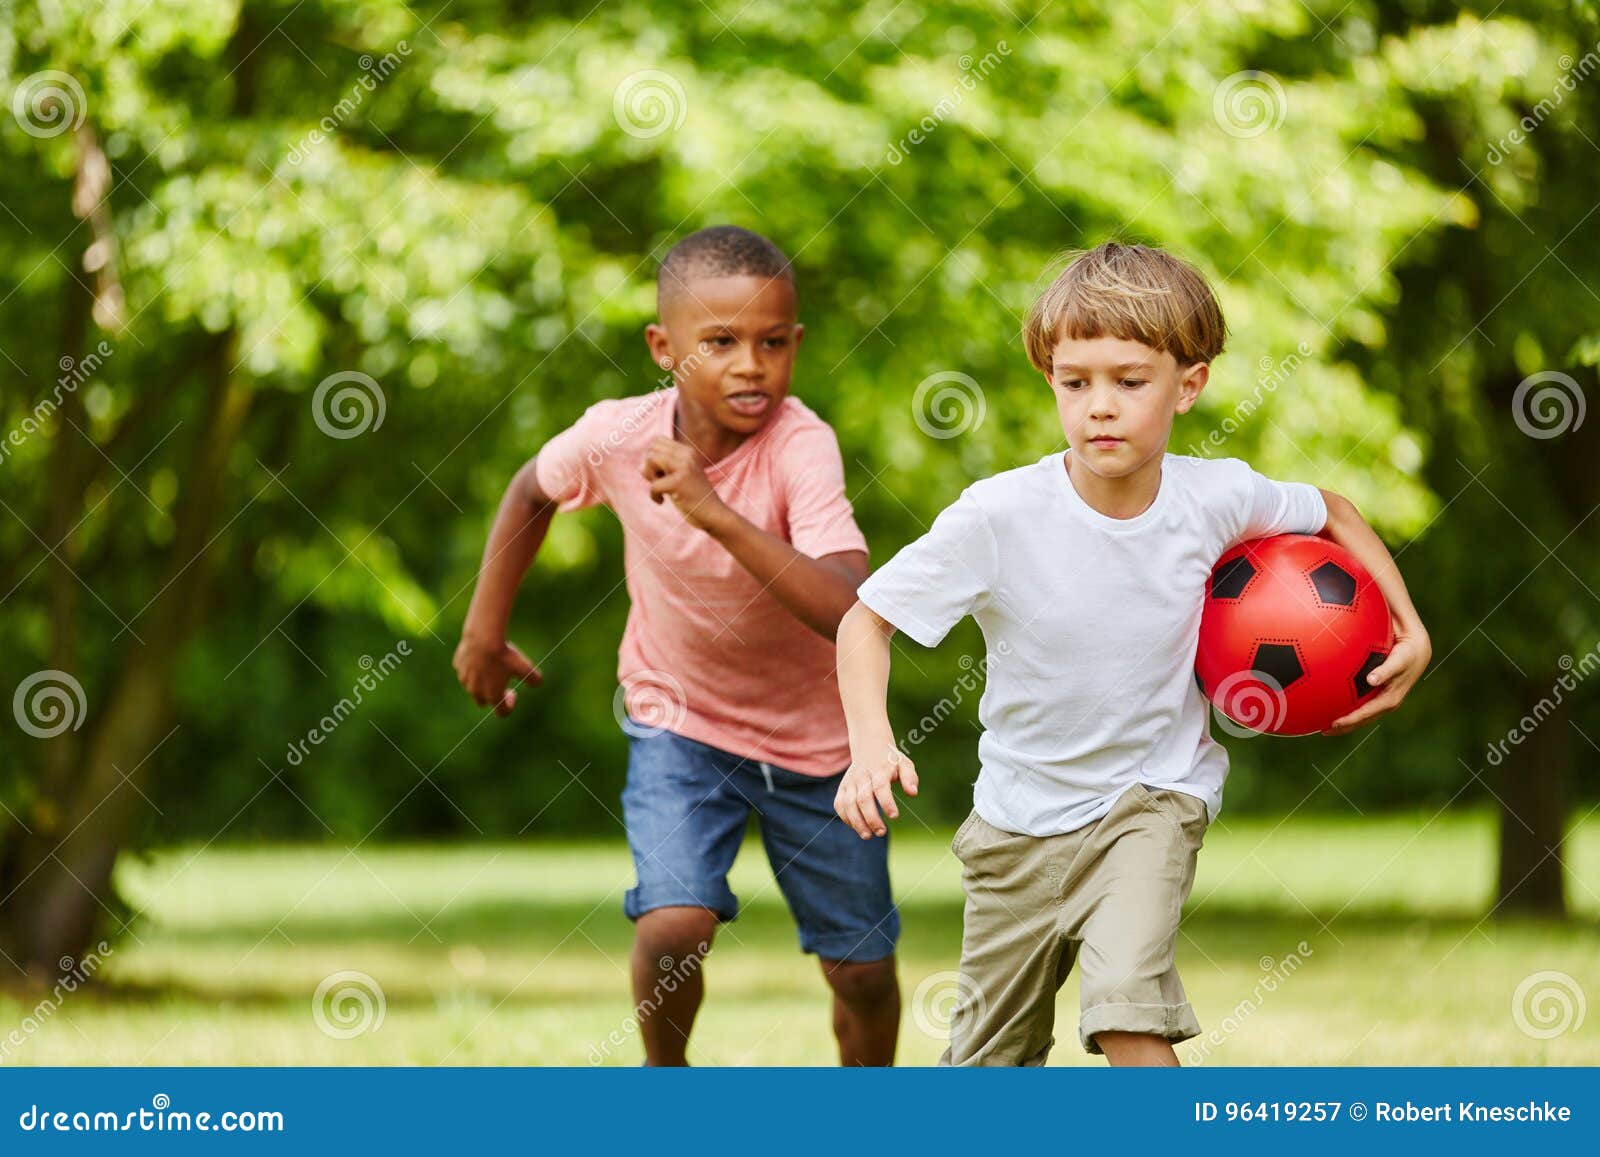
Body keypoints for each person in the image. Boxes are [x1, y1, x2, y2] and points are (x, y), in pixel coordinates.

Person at [833, 241, 1431, 1066]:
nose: (1099, 407)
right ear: (1050, 379)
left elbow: (1331, 509)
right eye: (1075, 382)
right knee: (981, 1072)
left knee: (1128, 1014)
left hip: (1149, 803)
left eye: (1128, 381)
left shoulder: (1215, 497)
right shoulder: (999, 515)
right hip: (1015, 825)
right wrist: (869, 743)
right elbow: (865, 622)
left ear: (1189, 384)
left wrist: (1410, 626)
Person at [453, 225, 900, 1066]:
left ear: (797, 344)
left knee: (863, 972)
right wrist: (484, 628)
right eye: (720, 342)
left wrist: (713, 511)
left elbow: (844, 605)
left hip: (821, 742)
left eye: (773, 343)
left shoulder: (802, 447)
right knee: (672, 925)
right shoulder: (616, 435)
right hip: (680, 723)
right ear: (664, 348)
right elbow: (529, 491)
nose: (750, 365)